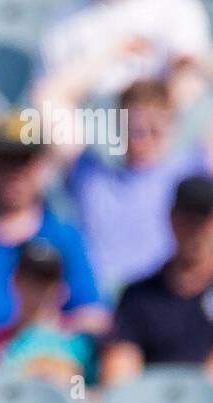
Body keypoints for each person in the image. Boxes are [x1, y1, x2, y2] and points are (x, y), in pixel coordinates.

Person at [0, 114, 107, 346]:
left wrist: (48, 333)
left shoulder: (66, 238)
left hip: (34, 362)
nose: (16, 172)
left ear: (42, 166)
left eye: (25, 161)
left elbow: (94, 314)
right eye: (7, 159)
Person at [63, 80, 212, 297]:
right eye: (136, 130)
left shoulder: (190, 171)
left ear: (172, 127)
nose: (144, 140)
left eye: (155, 130)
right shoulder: (92, 176)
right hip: (99, 304)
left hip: (162, 301)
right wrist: (111, 58)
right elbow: (50, 98)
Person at [100, 175, 213, 382]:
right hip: (150, 398)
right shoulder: (138, 297)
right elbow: (120, 369)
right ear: (171, 218)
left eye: (203, 219)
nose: (195, 229)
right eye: (187, 217)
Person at [36, 0, 213, 110]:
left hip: (165, 123)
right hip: (94, 129)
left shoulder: (177, 7)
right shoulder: (65, 21)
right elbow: (49, 96)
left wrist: (183, 65)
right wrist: (112, 54)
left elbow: (196, 69)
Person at [0, 240, 96, 385]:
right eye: (28, 279)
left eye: (46, 280)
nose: (36, 288)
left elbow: (95, 392)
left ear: (62, 288)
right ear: (14, 280)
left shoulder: (81, 346)